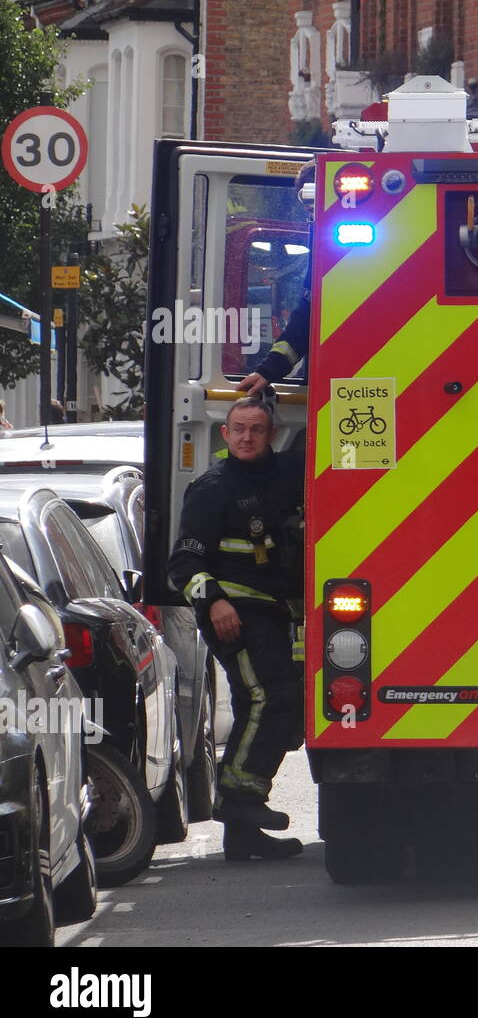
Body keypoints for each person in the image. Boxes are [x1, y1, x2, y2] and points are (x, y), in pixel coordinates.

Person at [167, 397, 306, 861]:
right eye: (239, 429)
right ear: (224, 435)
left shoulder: (287, 473)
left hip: (277, 611)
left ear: (272, 434)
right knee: (273, 696)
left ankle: (242, 835)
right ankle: (241, 800)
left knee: (276, 702)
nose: (247, 437)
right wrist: (216, 602)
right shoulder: (212, 487)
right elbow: (183, 563)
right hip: (236, 614)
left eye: (257, 429)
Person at [237, 161, 314, 397]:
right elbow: (306, 320)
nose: (310, 213)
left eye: (312, 204)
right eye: (307, 206)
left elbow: (306, 318)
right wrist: (267, 372)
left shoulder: (333, 245)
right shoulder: (324, 243)